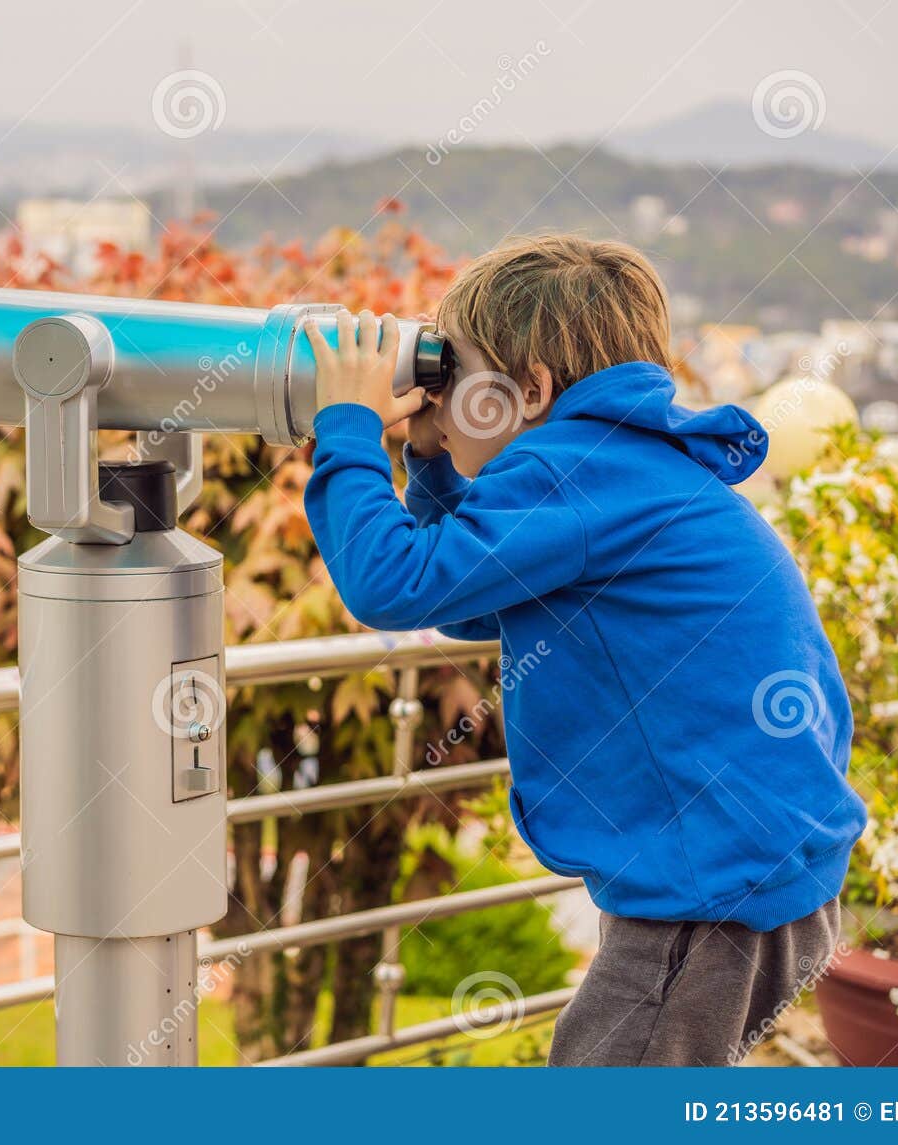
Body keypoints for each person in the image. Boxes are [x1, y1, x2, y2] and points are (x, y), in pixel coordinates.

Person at [300, 234, 865, 1065]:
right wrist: (428, 464)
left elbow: (394, 583)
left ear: (528, 391)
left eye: (453, 375)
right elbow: (471, 599)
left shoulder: (579, 473)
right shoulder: (622, 461)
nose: (438, 396)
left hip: (709, 896)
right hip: (749, 870)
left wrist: (345, 424)